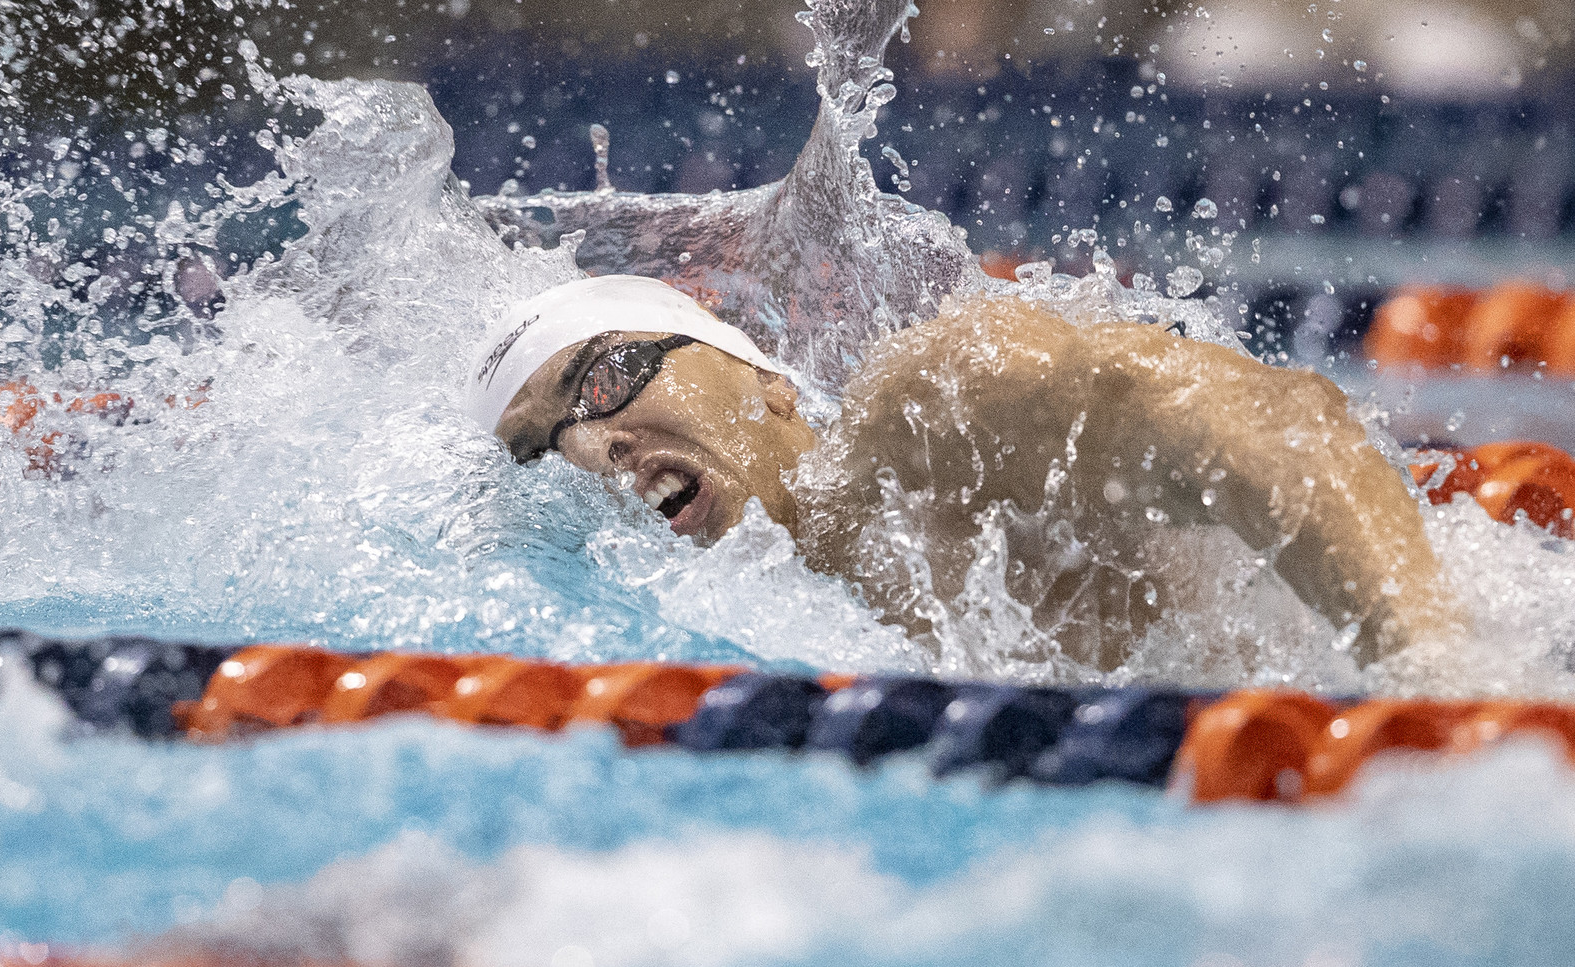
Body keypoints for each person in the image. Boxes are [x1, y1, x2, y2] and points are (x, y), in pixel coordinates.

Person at [465, 274, 1463, 671]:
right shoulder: (683, 644)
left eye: (606, 379)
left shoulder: (925, 420)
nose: (594, 451)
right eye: (540, 447)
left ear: (766, 381)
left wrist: (1441, 678)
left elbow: (1268, 426)